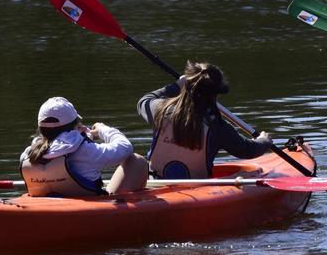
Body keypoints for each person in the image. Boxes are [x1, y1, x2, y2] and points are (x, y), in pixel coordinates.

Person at [138, 60, 279, 179]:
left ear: (186, 86)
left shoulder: (160, 110)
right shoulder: (217, 128)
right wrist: (264, 140)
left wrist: (176, 86)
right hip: (196, 191)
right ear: (215, 94)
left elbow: (143, 101)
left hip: (154, 186)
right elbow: (248, 150)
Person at [20, 96, 149, 197]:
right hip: (87, 216)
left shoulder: (28, 154)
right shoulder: (85, 151)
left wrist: (84, 138)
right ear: (74, 125)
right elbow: (125, 147)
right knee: (137, 161)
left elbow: (59, 148)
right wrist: (102, 130)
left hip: (44, 211)